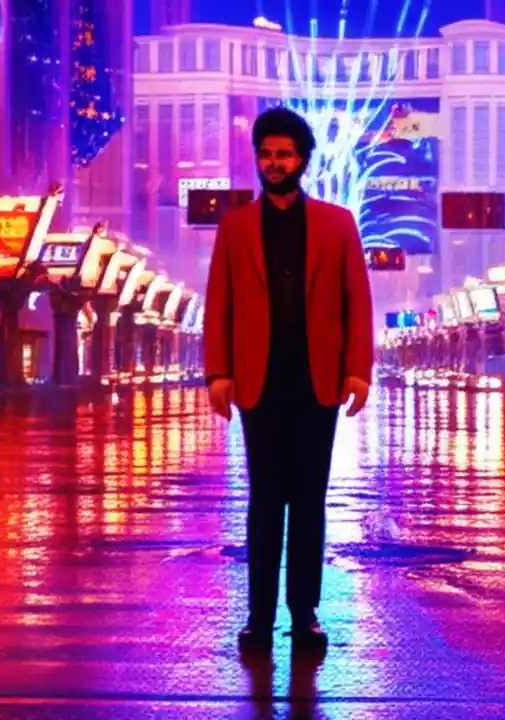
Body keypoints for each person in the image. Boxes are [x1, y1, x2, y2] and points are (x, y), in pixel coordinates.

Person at [203, 107, 374, 653]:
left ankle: (305, 616)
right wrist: (218, 373)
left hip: (316, 383)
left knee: (308, 502)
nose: (273, 163)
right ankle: (258, 617)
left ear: (302, 160)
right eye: (265, 153)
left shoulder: (337, 223)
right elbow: (219, 304)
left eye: (283, 154)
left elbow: (357, 302)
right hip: (258, 385)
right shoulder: (235, 225)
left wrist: (357, 370)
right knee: (263, 501)